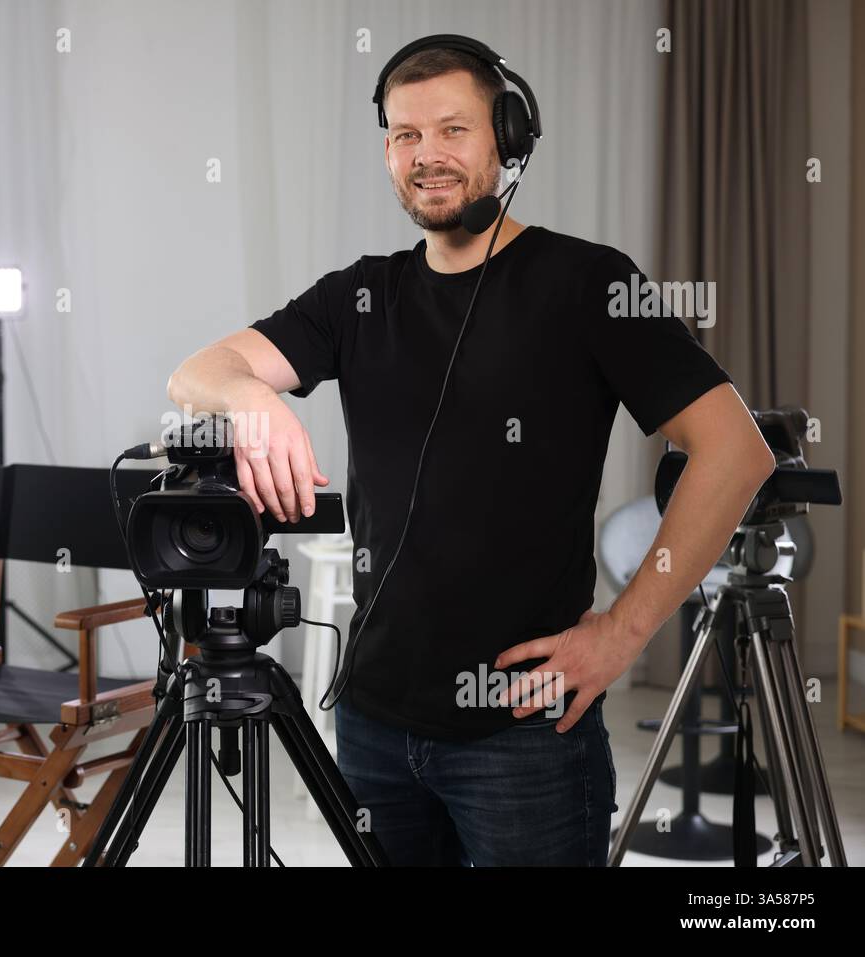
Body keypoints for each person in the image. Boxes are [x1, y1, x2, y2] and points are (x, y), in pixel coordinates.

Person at [165, 41, 775, 866]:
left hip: (524, 734)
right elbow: (196, 372)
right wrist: (250, 398)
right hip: (372, 727)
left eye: (453, 129)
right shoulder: (357, 294)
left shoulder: (587, 282)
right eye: (405, 135)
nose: (428, 156)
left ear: (507, 140)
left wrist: (626, 631)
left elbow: (735, 451)